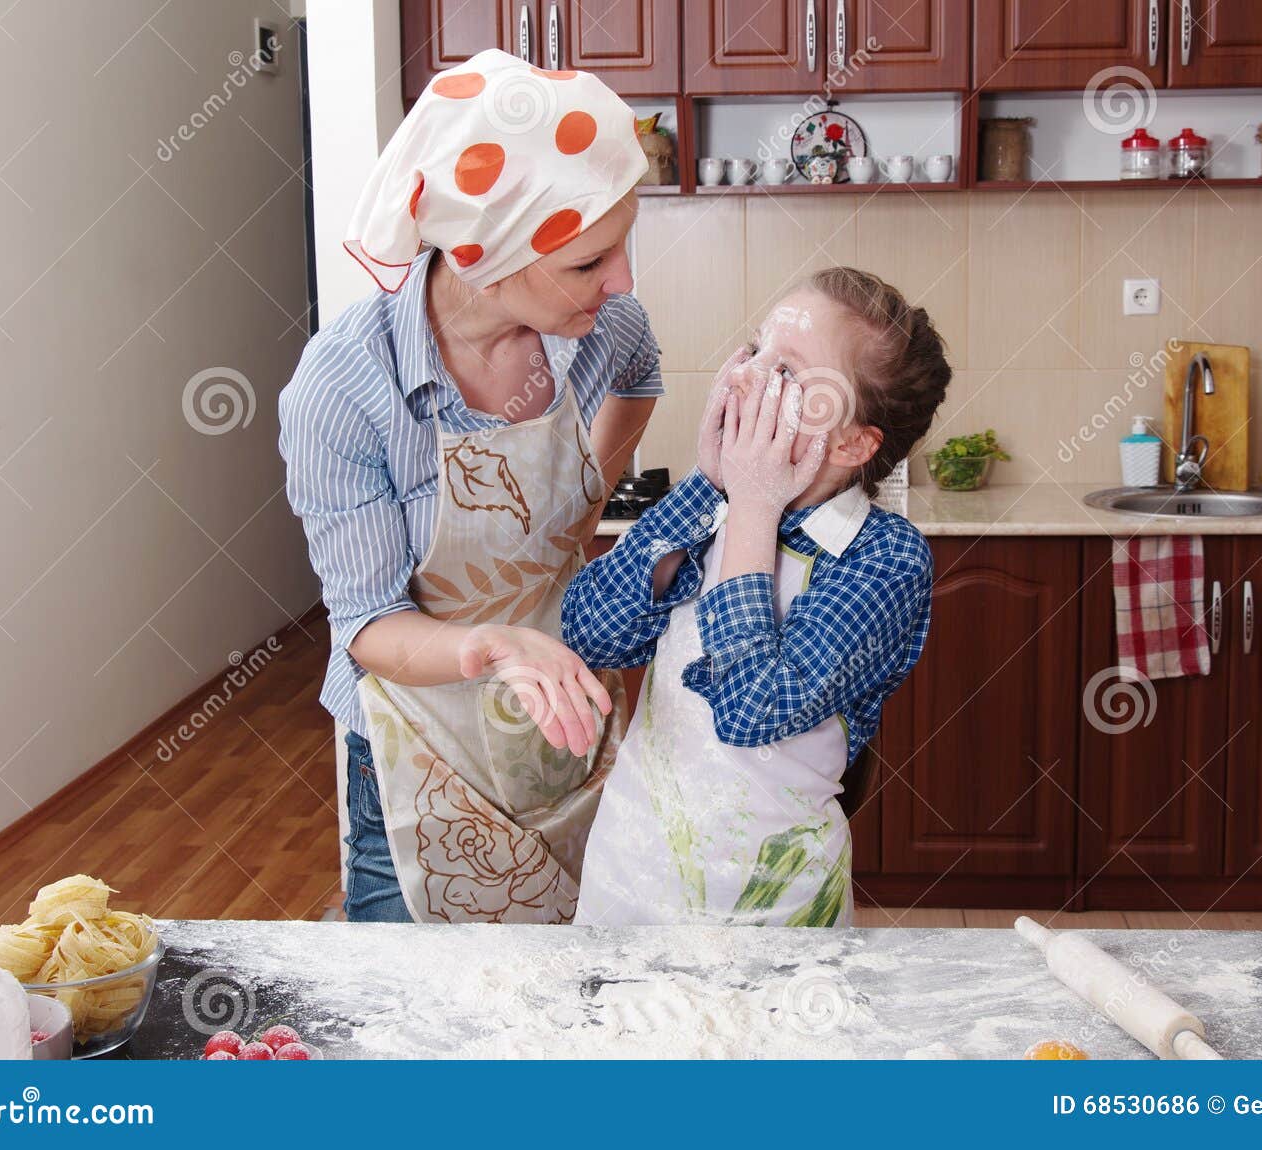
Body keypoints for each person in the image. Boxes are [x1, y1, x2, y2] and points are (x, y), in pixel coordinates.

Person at [279, 50, 661, 924]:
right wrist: (494, 647)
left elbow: (639, 373)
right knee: (421, 1029)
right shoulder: (345, 390)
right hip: (419, 744)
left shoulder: (605, 329)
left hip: (562, 723)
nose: (623, 280)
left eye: (623, 245)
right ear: (487, 255)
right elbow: (370, 625)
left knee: (574, 1010)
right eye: (588, 261)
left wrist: (584, 501)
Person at [562, 267, 951, 928]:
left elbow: (750, 709)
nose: (746, 375)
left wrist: (751, 506)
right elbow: (589, 630)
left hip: (775, 916)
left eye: (791, 374)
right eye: (754, 349)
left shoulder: (882, 557)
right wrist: (711, 485)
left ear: (854, 441)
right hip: (627, 887)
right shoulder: (711, 505)